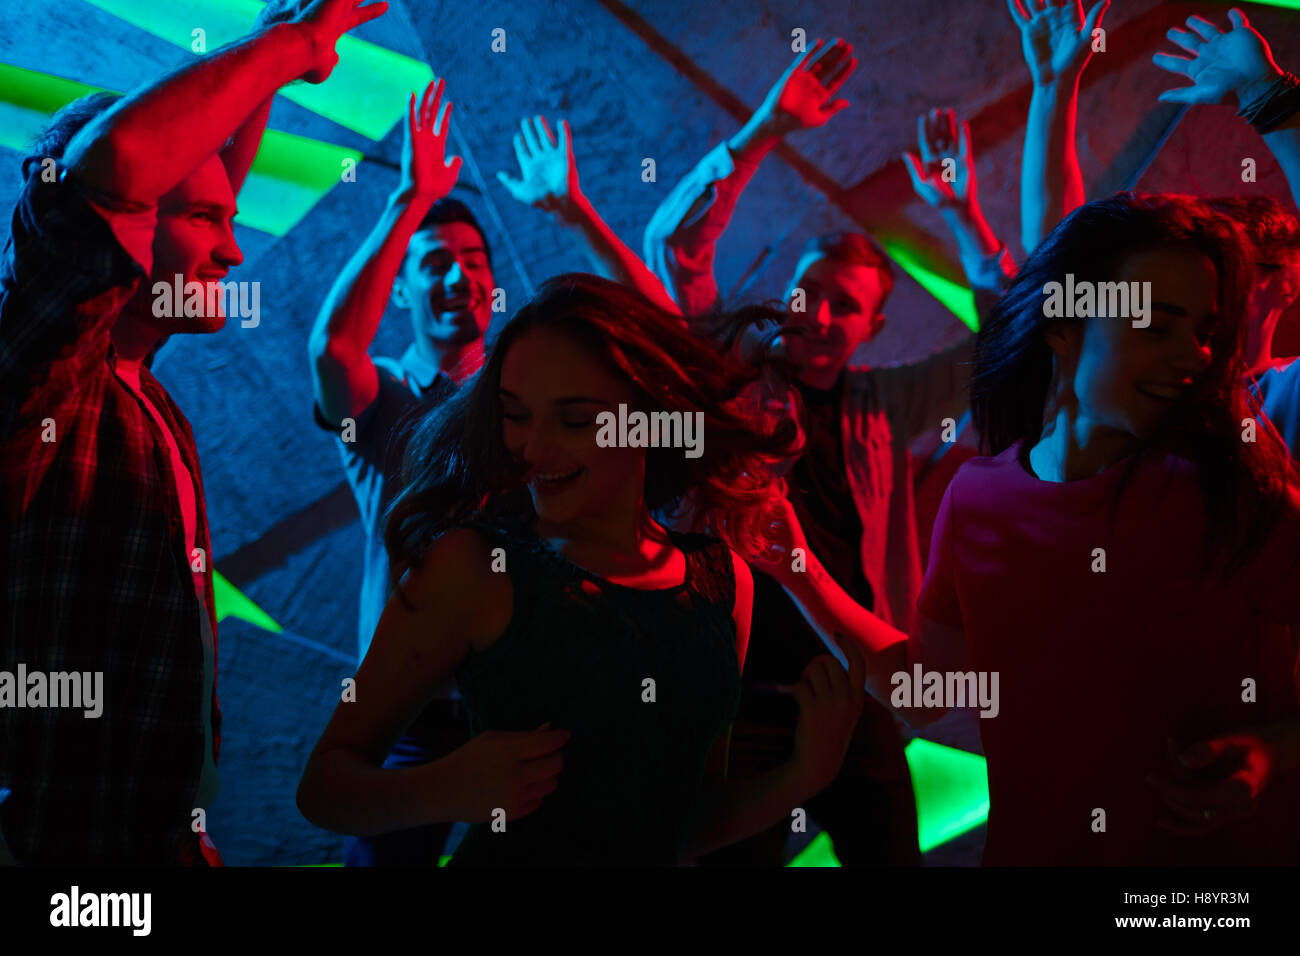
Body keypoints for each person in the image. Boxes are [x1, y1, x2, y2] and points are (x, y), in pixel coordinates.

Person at [759, 193, 1300, 865]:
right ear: (1063, 325)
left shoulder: (1229, 495)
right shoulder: (979, 500)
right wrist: (793, 564)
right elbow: (930, 693)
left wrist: (1274, 751)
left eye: (1204, 331)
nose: (1192, 354)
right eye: (1158, 326)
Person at [297, 273, 866, 865]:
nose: (533, 449)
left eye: (573, 420)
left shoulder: (723, 583)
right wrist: (442, 788)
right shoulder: (475, 567)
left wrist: (805, 775)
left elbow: (682, 824)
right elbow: (324, 787)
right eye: (516, 414)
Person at [0, 0, 386, 865]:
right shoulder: (41, 382)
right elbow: (125, 168)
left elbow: (183, 196)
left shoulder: (138, 397)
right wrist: (294, 47)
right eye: (210, 224)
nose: (234, 251)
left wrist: (182, 828)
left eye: (230, 221)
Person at [643, 38, 1012, 865]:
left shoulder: (882, 400)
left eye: (845, 305)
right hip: (741, 698)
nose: (818, 313)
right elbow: (677, 246)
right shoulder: (736, 369)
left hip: (859, 685)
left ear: (873, 325)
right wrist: (767, 127)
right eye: (807, 292)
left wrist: (960, 212)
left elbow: (1010, 345)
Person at [308, 78, 487, 866]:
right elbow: (330, 351)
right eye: (436, 263)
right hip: (405, 709)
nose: (459, 277)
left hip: (513, 696)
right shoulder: (380, 400)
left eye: (474, 261)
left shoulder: (524, 397)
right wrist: (409, 201)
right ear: (407, 286)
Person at [1152, 10, 1300, 453]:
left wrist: (1265, 94)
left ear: (1288, 281)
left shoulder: (1287, 397)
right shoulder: (1141, 401)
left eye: (1229, 263)